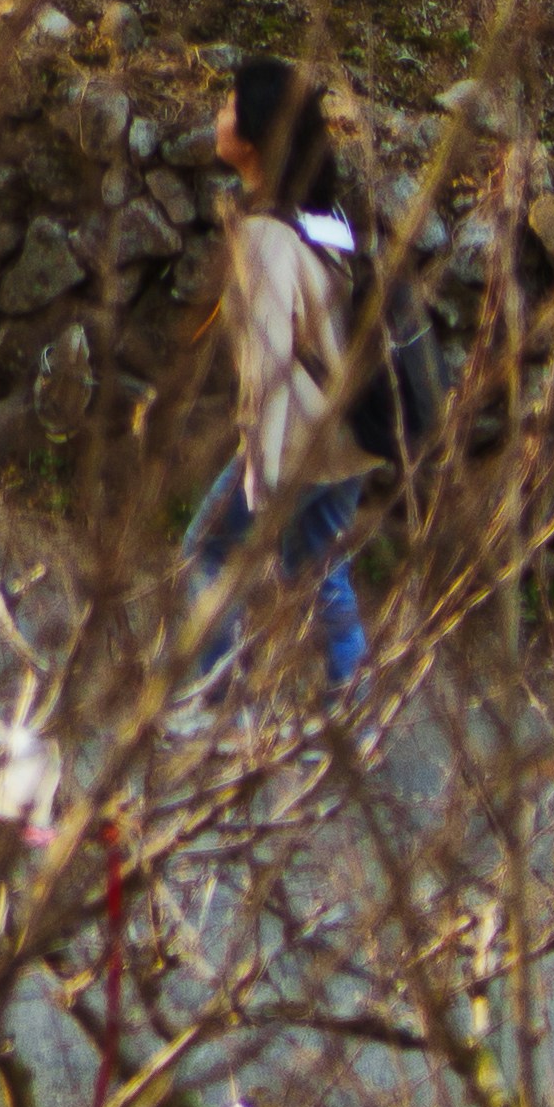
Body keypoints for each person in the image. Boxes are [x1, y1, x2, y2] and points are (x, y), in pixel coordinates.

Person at [177, 53, 370, 696]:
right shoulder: (327, 216)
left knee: (204, 551)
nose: (219, 115)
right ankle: (357, 709)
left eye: (230, 105)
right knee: (319, 570)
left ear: (255, 136)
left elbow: (269, 359)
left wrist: (261, 476)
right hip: (356, 430)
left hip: (300, 437)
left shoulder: (264, 235)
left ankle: (218, 702)